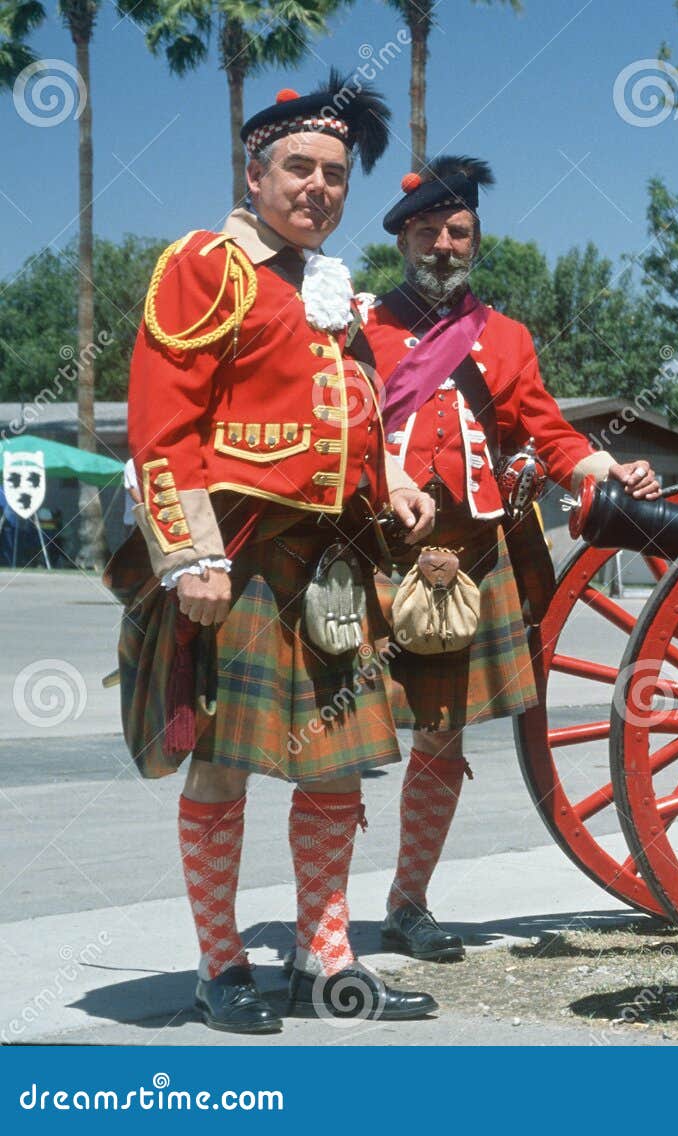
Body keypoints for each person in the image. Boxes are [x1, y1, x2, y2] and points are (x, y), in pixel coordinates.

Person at [119, 73, 443, 1032]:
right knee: (224, 764)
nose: (319, 187)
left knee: (334, 765)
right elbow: (162, 427)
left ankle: (325, 961)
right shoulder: (208, 266)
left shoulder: (332, 289)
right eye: (299, 167)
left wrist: (395, 479)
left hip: (335, 559)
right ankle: (220, 967)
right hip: (241, 558)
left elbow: (351, 414)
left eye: (335, 174)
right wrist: (191, 557)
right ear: (254, 175)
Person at [361, 155, 661, 961]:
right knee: (335, 744)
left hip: (466, 558)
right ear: (403, 241)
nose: (444, 245)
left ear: (476, 241)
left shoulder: (505, 337)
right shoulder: (357, 326)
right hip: (369, 553)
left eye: (459, 232)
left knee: (442, 738)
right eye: (429, 231)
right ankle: (319, 930)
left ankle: (408, 903)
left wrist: (607, 470)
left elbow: (549, 435)